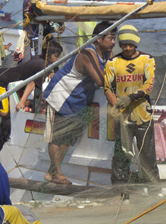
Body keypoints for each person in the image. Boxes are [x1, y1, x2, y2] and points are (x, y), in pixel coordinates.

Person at [43, 21, 115, 185]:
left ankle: (51, 171)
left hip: (78, 100)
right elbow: (101, 80)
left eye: (114, 38)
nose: (113, 42)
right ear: (98, 39)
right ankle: (57, 174)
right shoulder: (87, 55)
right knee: (57, 137)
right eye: (110, 38)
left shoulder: (106, 54)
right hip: (61, 97)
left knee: (68, 138)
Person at [104, 24, 159, 186]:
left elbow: (148, 86)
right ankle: (120, 191)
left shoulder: (147, 60)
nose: (127, 48)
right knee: (121, 157)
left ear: (136, 43)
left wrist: (130, 98)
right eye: (124, 45)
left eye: (131, 44)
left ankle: (152, 190)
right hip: (123, 120)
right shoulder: (113, 63)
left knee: (147, 157)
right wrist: (116, 105)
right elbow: (108, 88)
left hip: (143, 117)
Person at [0, 40, 64, 121]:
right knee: (4, 111)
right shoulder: (41, 65)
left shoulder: (40, 59)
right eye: (56, 56)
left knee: (7, 109)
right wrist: (22, 102)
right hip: (0, 81)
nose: (58, 59)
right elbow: (31, 83)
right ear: (48, 55)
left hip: (6, 80)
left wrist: (50, 73)